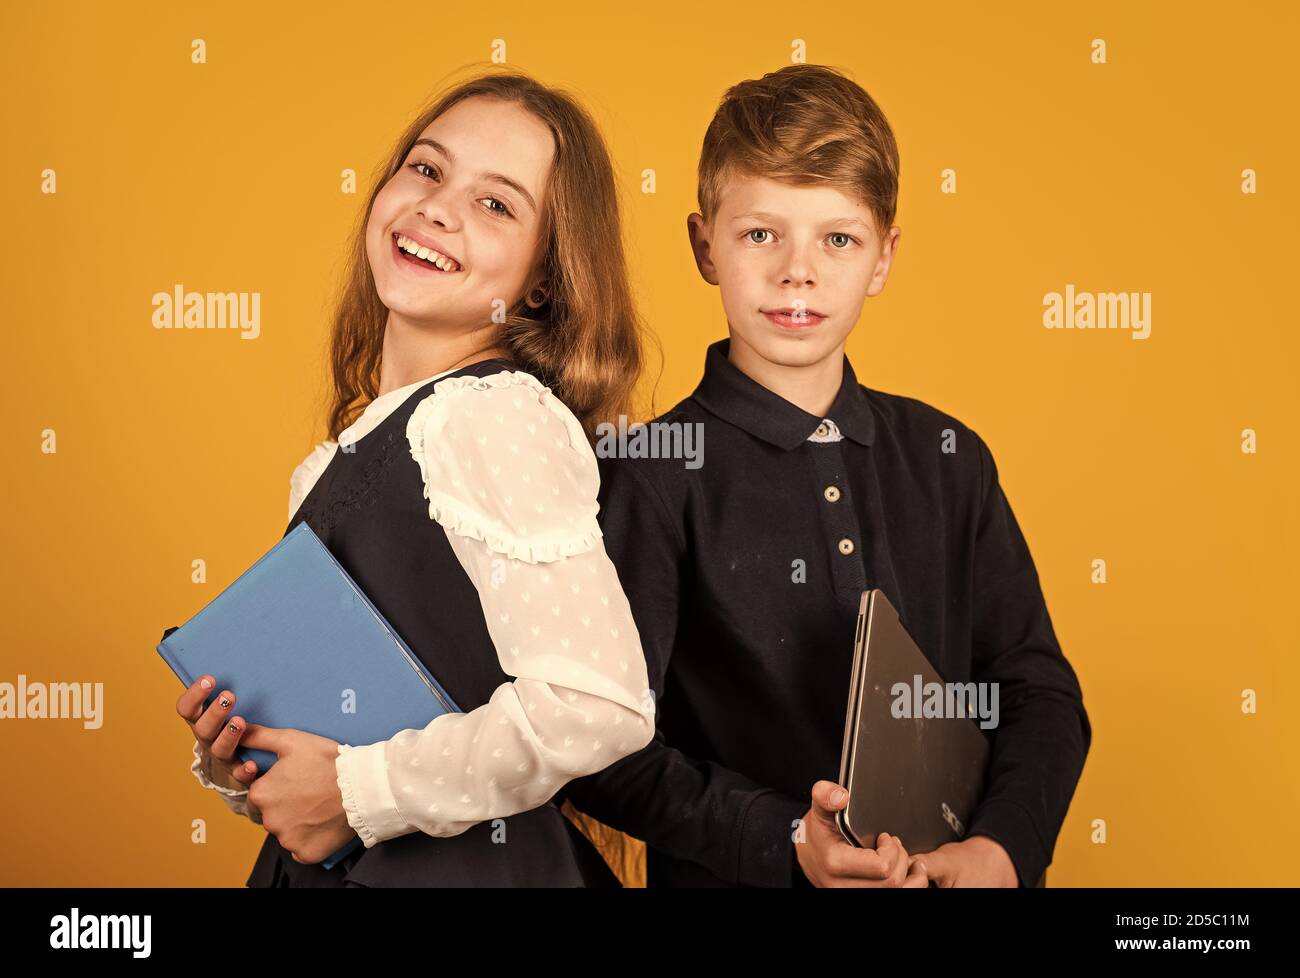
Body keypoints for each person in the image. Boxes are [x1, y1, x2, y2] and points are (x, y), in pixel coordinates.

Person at [559, 64, 1092, 888]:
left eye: (837, 239)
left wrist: (1001, 850)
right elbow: (601, 752)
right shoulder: (647, 475)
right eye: (760, 234)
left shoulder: (951, 458)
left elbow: (1039, 693)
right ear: (705, 245)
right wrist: (784, 840)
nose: (796, 271)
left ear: (884, 256)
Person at [173, 69, 655, 887]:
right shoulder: (345, 455)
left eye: (496, 203)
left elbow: (599, 706)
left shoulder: (495, 414)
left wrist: (359, 790)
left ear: (543, 279)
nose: (438, 207)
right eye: (427, 170)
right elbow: (347, 745)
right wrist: (246, 759)